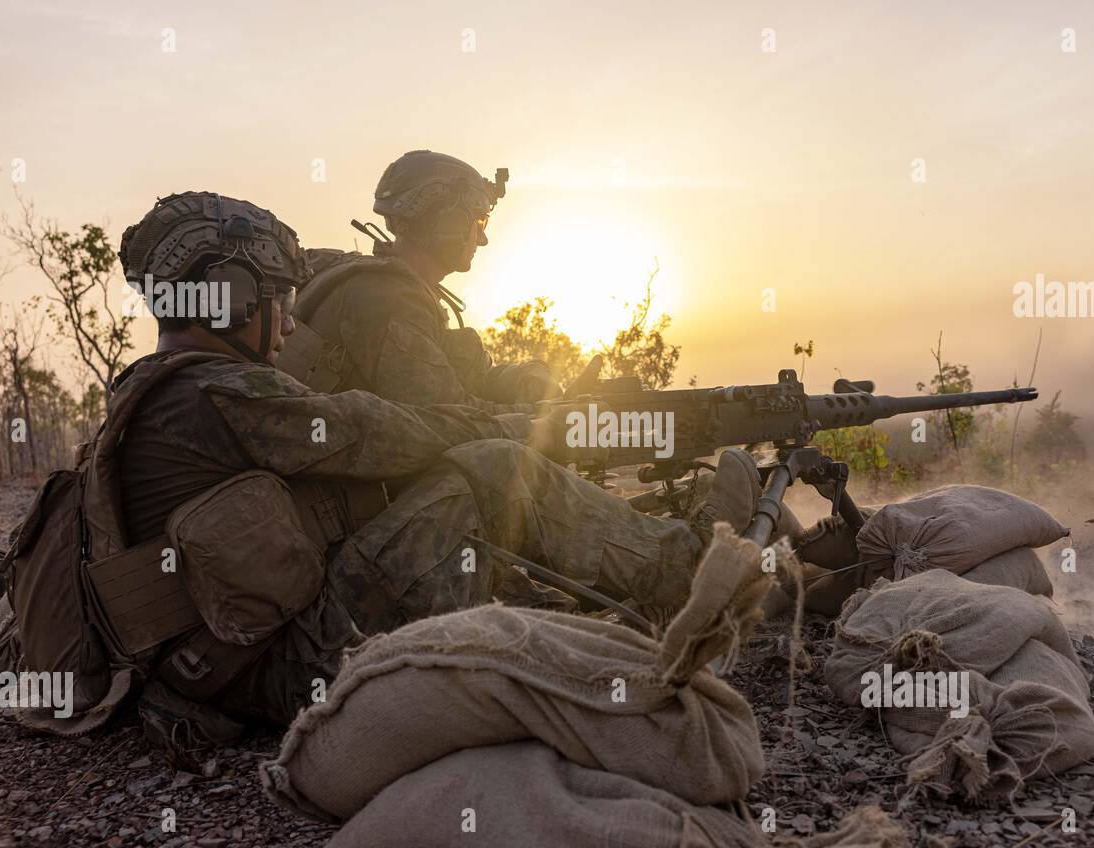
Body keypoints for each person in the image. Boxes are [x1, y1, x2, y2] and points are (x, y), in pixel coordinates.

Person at [91, 190, 762, 738]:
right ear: (230, 295)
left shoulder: (159, 387)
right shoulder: (217, 391)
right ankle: (688, 571)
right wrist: (508, 427)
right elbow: (372, 432)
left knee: (441, 484)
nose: (291, 326)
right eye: (279, 301)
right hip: (285, 667)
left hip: (221, 662)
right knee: (494, 470)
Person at [275, 149, 593, 411]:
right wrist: (545, 423)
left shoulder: (394, 288)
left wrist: (524, 379)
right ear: (448, 220)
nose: (482, 239)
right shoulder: (388, 299)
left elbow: (465, 376)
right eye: (479, 221)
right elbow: (446, 418)